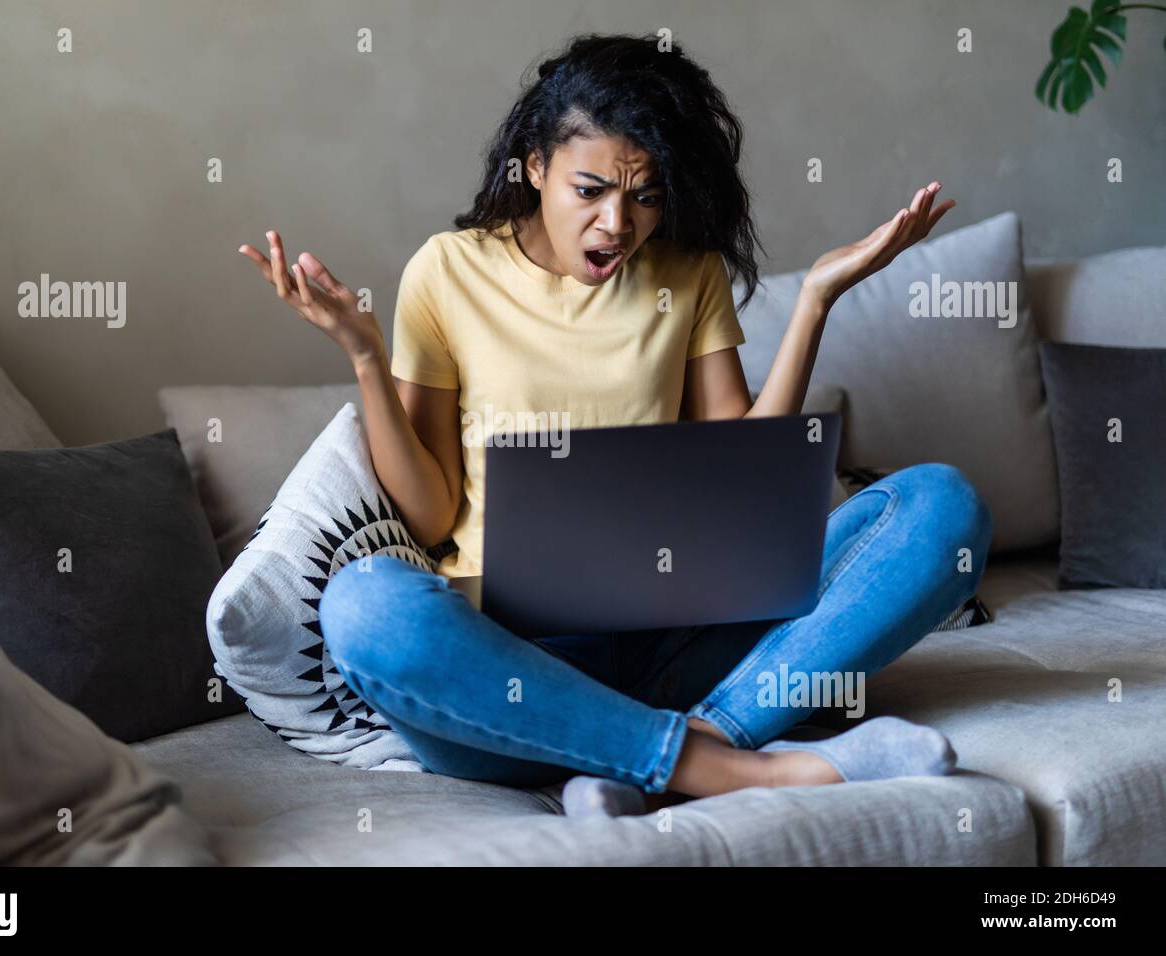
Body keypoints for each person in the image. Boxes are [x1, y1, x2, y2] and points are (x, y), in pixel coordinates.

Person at [238, 33, 990, 816]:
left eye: (645, 195)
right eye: (590, 190)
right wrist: (367, 357)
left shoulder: (688, 275)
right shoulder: (447, 272)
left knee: (945, 506)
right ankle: (737, 766)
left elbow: (743, 476)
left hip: (676, 644)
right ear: (534, 166)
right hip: (507, 677)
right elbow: (428, 514)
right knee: (364, 606)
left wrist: (816, 302)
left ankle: (659, 751)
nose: (618, 223)